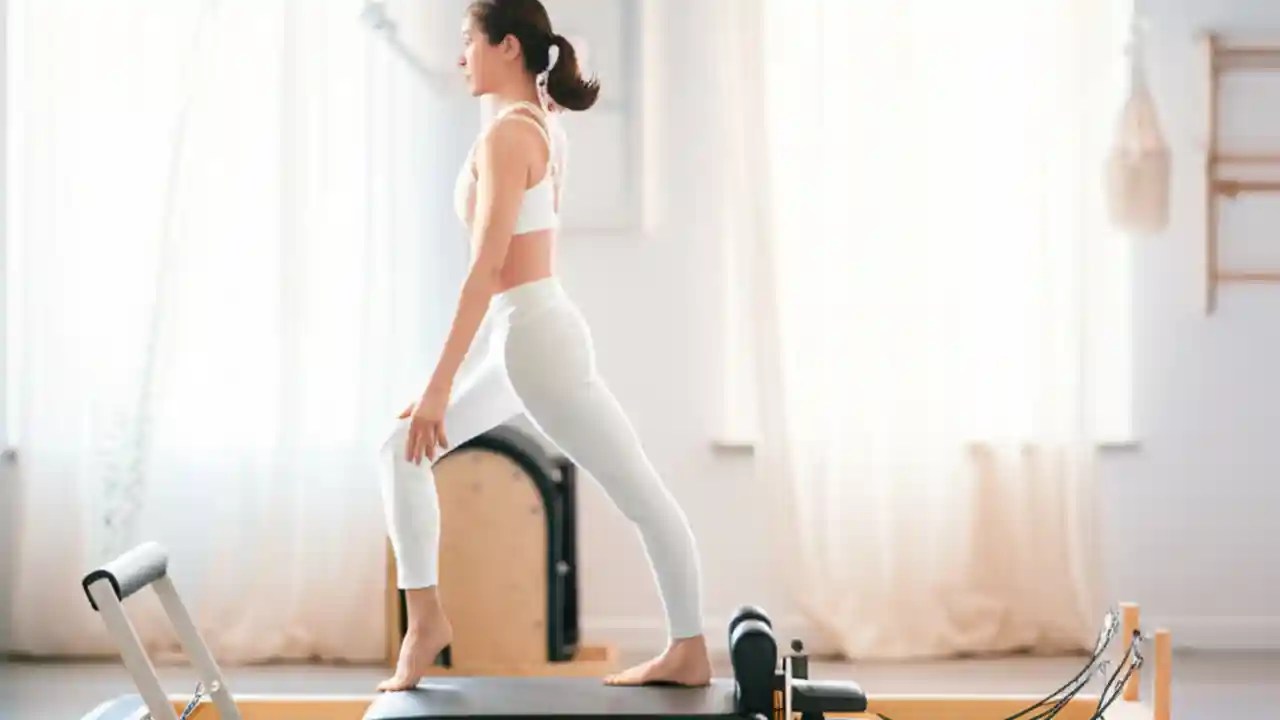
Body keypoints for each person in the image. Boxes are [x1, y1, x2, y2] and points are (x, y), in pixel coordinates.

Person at [375, 0, 711, 693]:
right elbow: (501, 290)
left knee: (640, 492)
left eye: (466, 41)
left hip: (536, 342)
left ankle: (689, 648)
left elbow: (487, 269)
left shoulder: (509, 136)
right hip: (522, 334)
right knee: (400, 449)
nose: (459, 56)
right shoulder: (536, 123)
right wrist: (444, 385)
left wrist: (441, 384)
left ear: (505, 47)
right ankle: (427, 623)